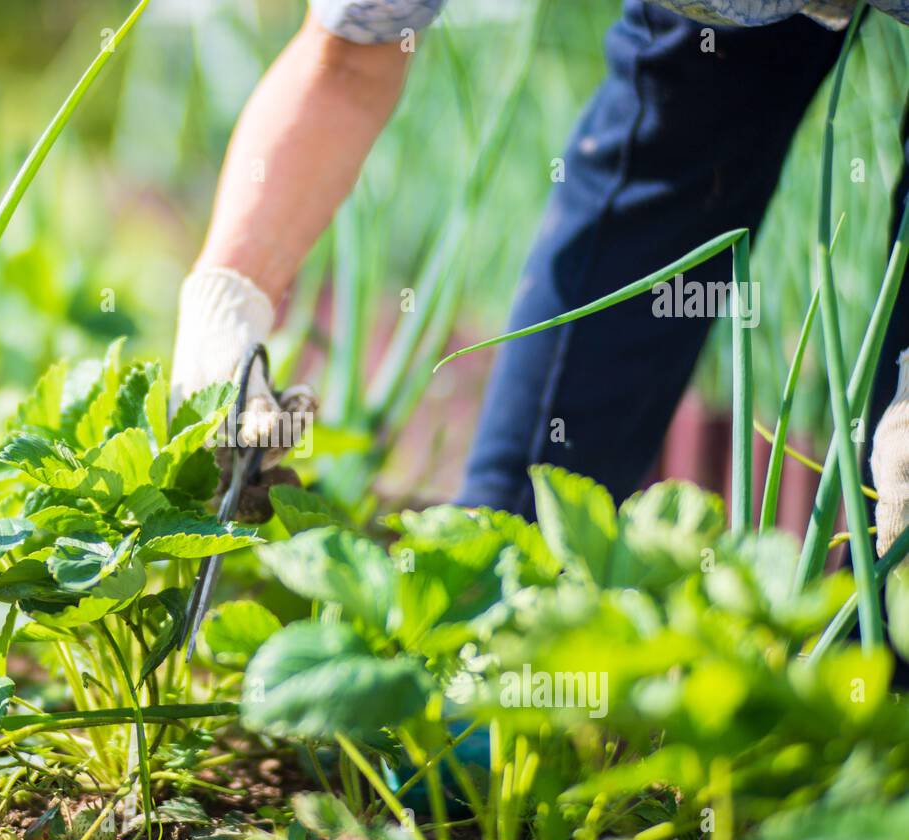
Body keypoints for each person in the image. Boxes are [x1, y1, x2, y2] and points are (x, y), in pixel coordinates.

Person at [170, 0, 909, 521]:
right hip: (706, 26)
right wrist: (228, 296)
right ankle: (497, 642)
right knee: (660, 167)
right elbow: (347, 59)